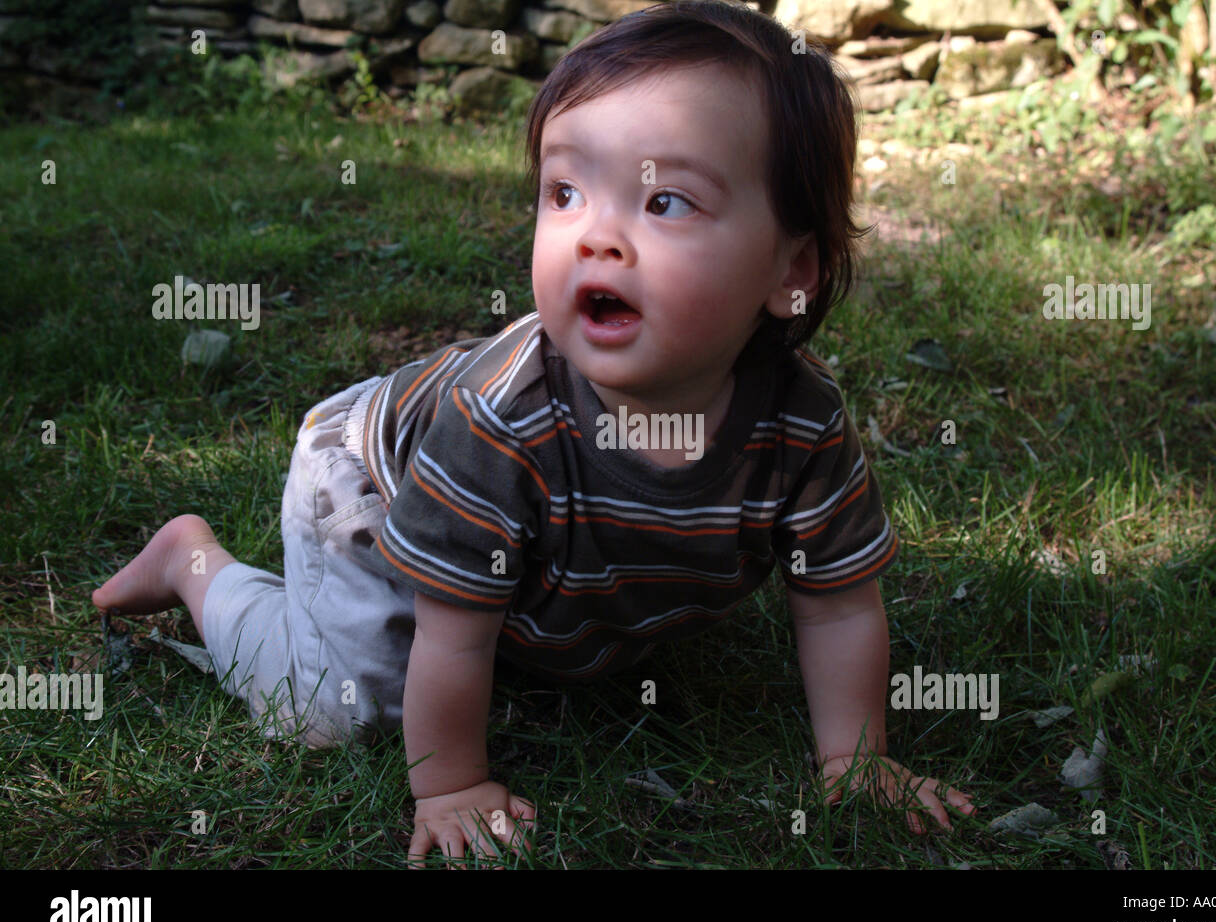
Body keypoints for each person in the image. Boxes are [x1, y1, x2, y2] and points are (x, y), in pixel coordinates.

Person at [94, 0, 976, 866]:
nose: (598, 234)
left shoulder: (802, 421)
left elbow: (837, 602)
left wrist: (854, 759)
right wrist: (450, 787)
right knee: (335, 713)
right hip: (369, 474)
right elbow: (454, 630)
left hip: (493, 531)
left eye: (666, 201)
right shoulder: (502, 423)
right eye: (565, 190)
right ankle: (194, 565)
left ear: (793, 269)